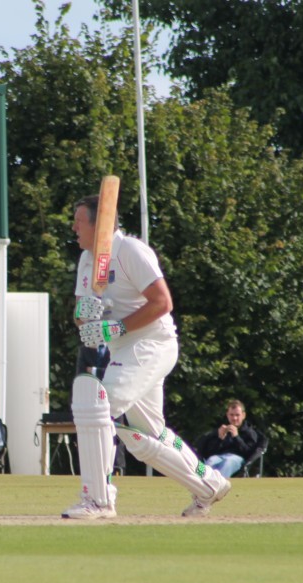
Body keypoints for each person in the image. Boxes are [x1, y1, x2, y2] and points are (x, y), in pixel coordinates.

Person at [63, 193, 231, 519]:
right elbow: (82, 317)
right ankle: (209, 484)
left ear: (101, 225)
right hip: (124, 349)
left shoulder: (131, 251)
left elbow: (162, 302)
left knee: (98, 404)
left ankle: (98, 500)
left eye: (79, 221)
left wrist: (114, 329)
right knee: (146, 437)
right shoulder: (87, 259)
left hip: (153, 343)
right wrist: (86, 315)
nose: (73, 227)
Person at [194, 400, 267, 478]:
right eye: (231, 415)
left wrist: (236, 437)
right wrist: (220, 438)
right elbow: (210, 453)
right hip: (219, 456)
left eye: (237, 415)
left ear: (243, 415)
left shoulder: (250, 432)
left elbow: (248, 453)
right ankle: (199, 484)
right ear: (227, 415)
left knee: (228, 463)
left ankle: (218, 485)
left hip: (237, 458)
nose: (234, 418)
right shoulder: (222, 429)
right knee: (211, 461)